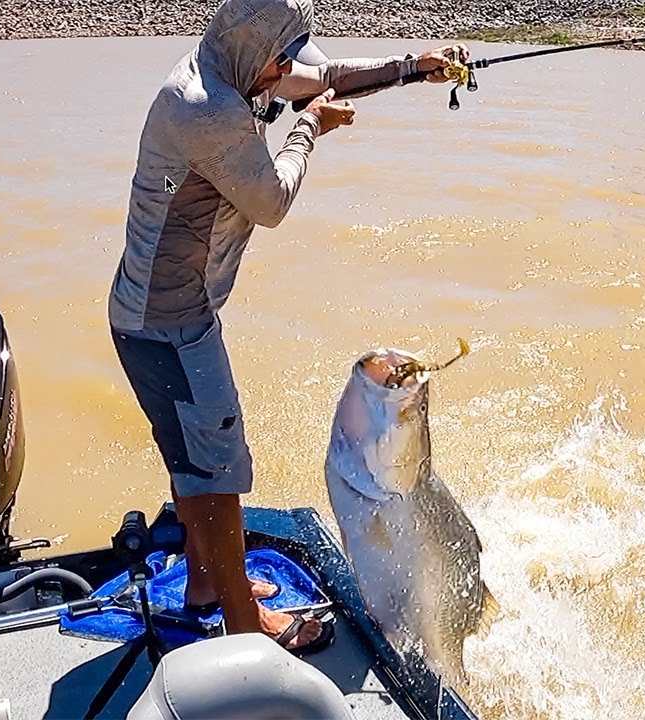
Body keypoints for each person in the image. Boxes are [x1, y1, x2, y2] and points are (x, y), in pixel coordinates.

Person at [107, 0, 467, 652]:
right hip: (171, 325)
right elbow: (270, 200)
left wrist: (417, 67)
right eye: (283, 62)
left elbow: (325, 77)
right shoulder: (206, 107)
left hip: (150, 319)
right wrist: (307, 131)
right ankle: (248, 627)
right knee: (219, 474)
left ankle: (206, 586)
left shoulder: (235, 65)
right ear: (256, 51)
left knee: (194, 466)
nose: (289, 72)